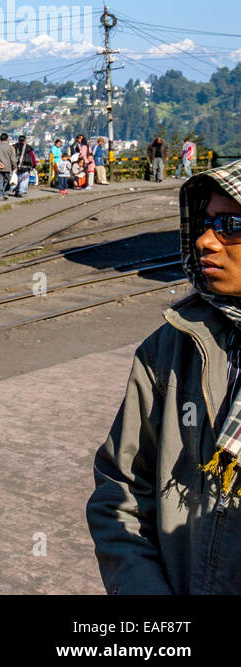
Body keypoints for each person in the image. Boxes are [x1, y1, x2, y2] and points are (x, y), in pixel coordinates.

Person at [87, 160, 241, 592]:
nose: (205, 241)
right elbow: (121, 491)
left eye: (230, 224)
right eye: (207, 222)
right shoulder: (172, 346)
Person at [0, 131, 16, 201]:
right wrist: (15, 167)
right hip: (8, 167)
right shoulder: (10, 148)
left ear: (0, 139)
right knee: (7, 181)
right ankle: (6, 193)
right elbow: (12, 159)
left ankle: (0, 195)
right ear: (7, 139)